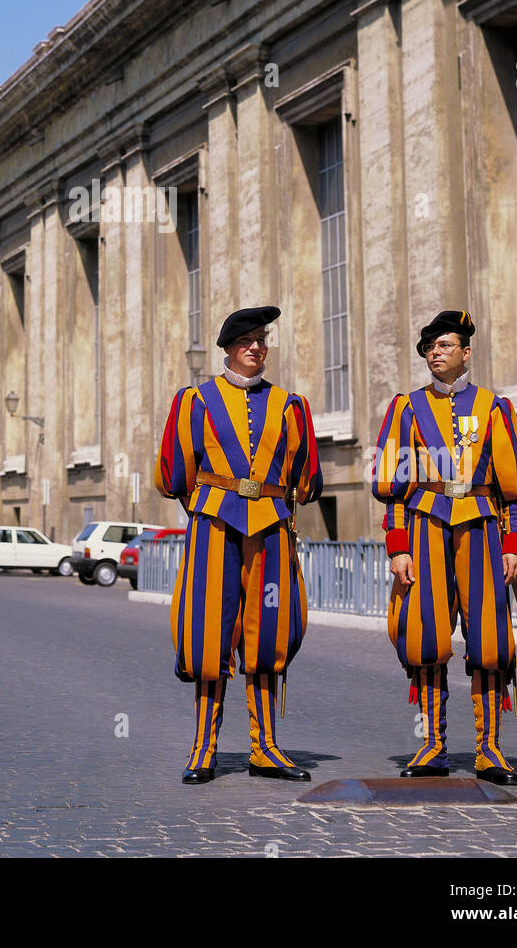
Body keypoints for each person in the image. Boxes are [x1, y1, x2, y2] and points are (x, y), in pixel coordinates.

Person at [154, 305, 323, 784]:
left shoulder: (290, 404)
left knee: (268, 633)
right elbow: (174, 471)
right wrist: (208, 503)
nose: (256, 346)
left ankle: (264, 747)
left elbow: (306, 477)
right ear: (227, 347)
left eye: (262, 338)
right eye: (246, 339)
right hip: (215, 525)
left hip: (270, 524)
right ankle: (203, 747)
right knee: (209, 633)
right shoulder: (196, 399)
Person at [372, 310, 517, 785]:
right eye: (430, 347)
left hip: (484, 528)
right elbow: (393, 488)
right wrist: (398, 546)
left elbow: (514, 489)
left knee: (489, 639)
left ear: (466, 352)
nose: (435, 353)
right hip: (424, 526)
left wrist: (515, 543)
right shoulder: (406, 408)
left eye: (445, 345)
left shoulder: (493, 407)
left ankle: (489, 749)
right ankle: (432, 745)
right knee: (427, 636)